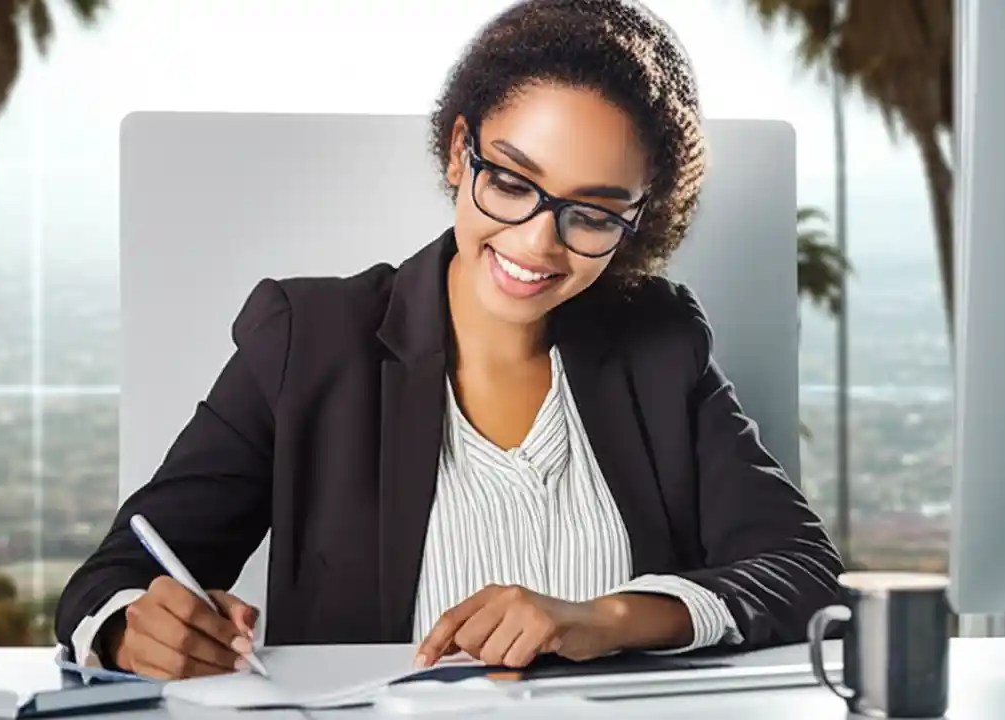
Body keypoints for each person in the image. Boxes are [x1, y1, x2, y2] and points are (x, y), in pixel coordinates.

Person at [55, 0, 843, 680]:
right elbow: (112, 581)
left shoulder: (659, 346)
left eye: (595, 213)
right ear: (461, 149)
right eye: (510, 180)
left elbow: (806, 573)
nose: (539, 242)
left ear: (638, 222)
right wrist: (132, 628)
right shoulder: (307, 341)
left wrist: (610, 616)